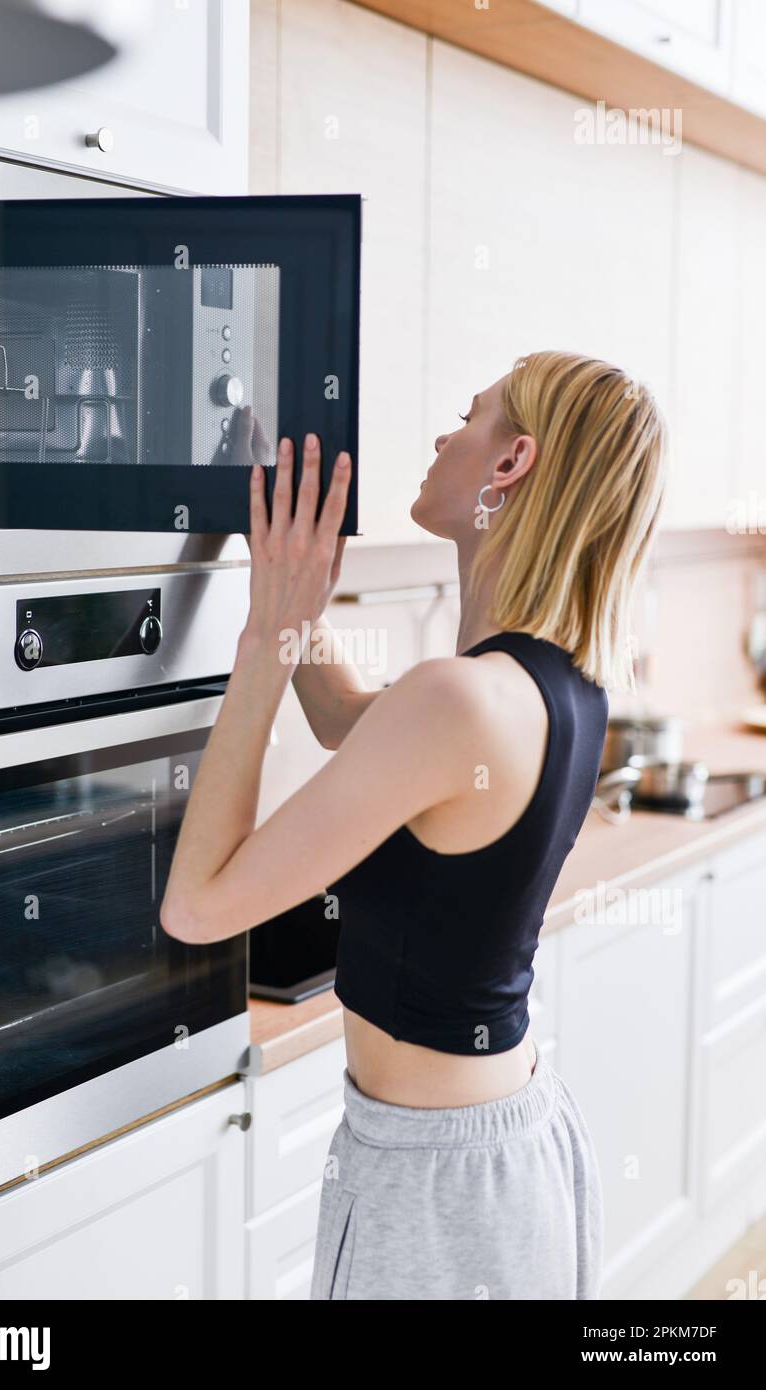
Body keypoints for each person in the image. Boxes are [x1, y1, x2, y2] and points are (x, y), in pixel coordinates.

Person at [160, 350, 667, 1300]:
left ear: (509, 465)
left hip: (442, 1185)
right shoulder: (550, 680)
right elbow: (345, 716)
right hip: (494, 1146)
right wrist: (287, 580)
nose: (444, 437)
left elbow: (197, 905)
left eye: (469, 418)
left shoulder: (458, 699)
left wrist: (264, 631)